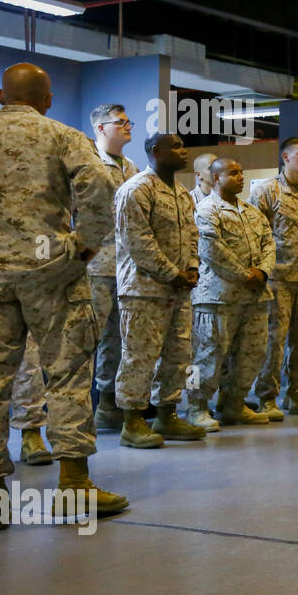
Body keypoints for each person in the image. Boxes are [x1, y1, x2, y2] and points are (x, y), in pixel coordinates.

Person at [0, 62, 123, 528]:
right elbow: (99, 186)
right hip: (52, 271)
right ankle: (72, 487)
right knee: (67, 375)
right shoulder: (65, 136)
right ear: (47, 99)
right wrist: (84, 246)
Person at [114, 132, 205, 447]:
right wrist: (173, 273)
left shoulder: (182, 193)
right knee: (139, 357)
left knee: (178, 355)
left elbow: (193, 235)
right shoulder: (136, 190)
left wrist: (191, 268)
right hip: (144, 290)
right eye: (176, 146)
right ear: (156, 151)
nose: (184, 151)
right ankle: (133, 421)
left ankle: (168, 414)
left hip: (179, 290)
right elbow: (139, 243)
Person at [189, 158, 274, 428]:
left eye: (241, 172)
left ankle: (234, 404)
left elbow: (269, 243)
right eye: (233, 173)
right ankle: (196, 407)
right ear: (216, 179)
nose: (240, 177)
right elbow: (210, 249)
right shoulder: (206, 209)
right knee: (207, 354)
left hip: (255, 296)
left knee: (251, 353)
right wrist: (243, 273)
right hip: (217, 296)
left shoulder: (252, 212)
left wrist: (262, 271)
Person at [250, 137, 298, 418]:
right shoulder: (266, 191)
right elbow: (255, 235)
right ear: (286, 157)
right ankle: (267, 398)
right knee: (274, 341)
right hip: (277, 278)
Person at [87, 103, 140, 430]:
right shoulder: (89, 164)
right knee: (87, 339)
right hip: (94, 267)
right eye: (119, 122)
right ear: (101, 128)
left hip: (126, 269)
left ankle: (109, 405)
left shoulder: (131, 166)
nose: (127, 126)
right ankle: (77, 411)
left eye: (128, 121)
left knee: (119, 339)